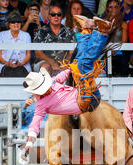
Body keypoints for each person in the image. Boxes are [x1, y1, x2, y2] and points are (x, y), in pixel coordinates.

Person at [22, 16, 113, 157]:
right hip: (85, 102)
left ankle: (87, 31)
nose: (47, 87)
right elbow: (34, 125)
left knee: (77, 63)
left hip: (84, 94)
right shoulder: (40, 105)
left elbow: (63, 75)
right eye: (43, 88)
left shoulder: (51, 82)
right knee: (83, 65)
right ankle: (102, 33)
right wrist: (29, 143)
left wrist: (72, 67)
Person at [32, 3, 75, 76]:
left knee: (70, 68)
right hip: (44, 62)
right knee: (45, 67)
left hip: (63, 63)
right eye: (53, 14)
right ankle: (46, 87)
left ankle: (64, 87)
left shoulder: (69, 32)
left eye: (59, 14)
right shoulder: (41, 31)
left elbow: (71, 52)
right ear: (49, 17)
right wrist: (52, 62)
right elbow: (38, 53)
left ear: (62, 17)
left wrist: (66, 62)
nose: (56, 17)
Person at [0, 10, 32, 77]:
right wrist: (7, 63)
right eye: (13, 22)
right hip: (4, 65)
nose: (16, 24)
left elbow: (28, 55)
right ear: (8, 24)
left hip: (22, 66)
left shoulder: (26, 35)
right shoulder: (2, 35)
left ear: (21, 23)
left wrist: (21, 63)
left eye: (18, 22)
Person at [101, 0, 129, 76]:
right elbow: (100, 40)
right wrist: (109, 50)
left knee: (123, 61)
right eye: (111, 7)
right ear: (107, 8)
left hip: (119, 52)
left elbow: (124, 41)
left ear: (120, 8)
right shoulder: (103, 23)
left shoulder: (123, 24)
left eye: (116, 6)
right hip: (105, 52)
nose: (113, 9)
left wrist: (115, 50)